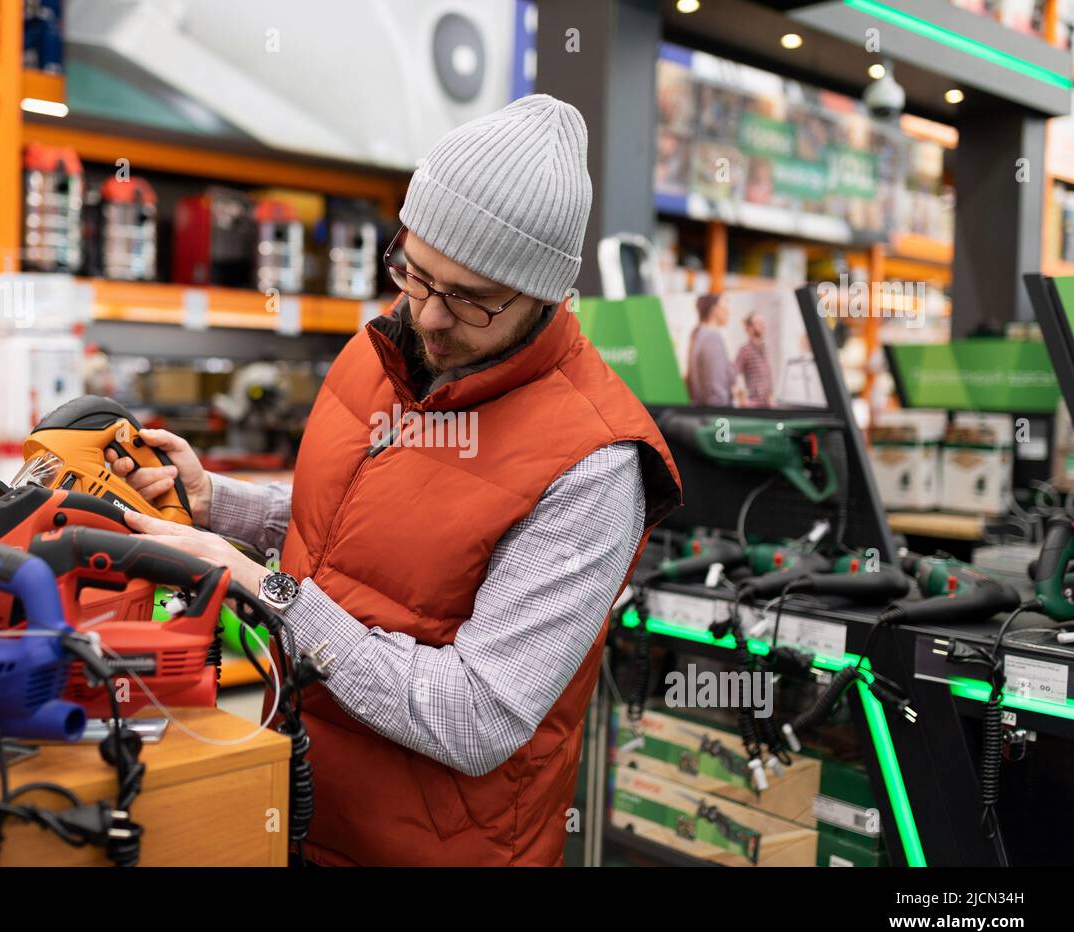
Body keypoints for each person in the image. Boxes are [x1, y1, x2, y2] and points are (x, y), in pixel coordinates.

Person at [106, 94, 681, 866]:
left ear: (549, 297)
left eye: (472, 299)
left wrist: (264, 589)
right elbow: (354, 536)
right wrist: (223, 509)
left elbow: (478, 717)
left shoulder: (595, 463)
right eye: (415, 271)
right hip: (300, 805)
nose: (431, 317)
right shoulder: (383, 347)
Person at [686, 293, 734, 406]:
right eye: (725, 307)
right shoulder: (712, 338)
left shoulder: (698, 335)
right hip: (717, 416)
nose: (728, 312)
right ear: (714, 310)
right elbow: (717, 392)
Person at [734, 311, 773, 408]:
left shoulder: (765, 349)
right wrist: (743, 400)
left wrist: (770, 397)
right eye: (759, 323)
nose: (763, 326)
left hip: (767, 406)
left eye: (763, 323)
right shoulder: (744, 350)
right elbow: (733, 375)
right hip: (753, 405)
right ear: (750, 328)